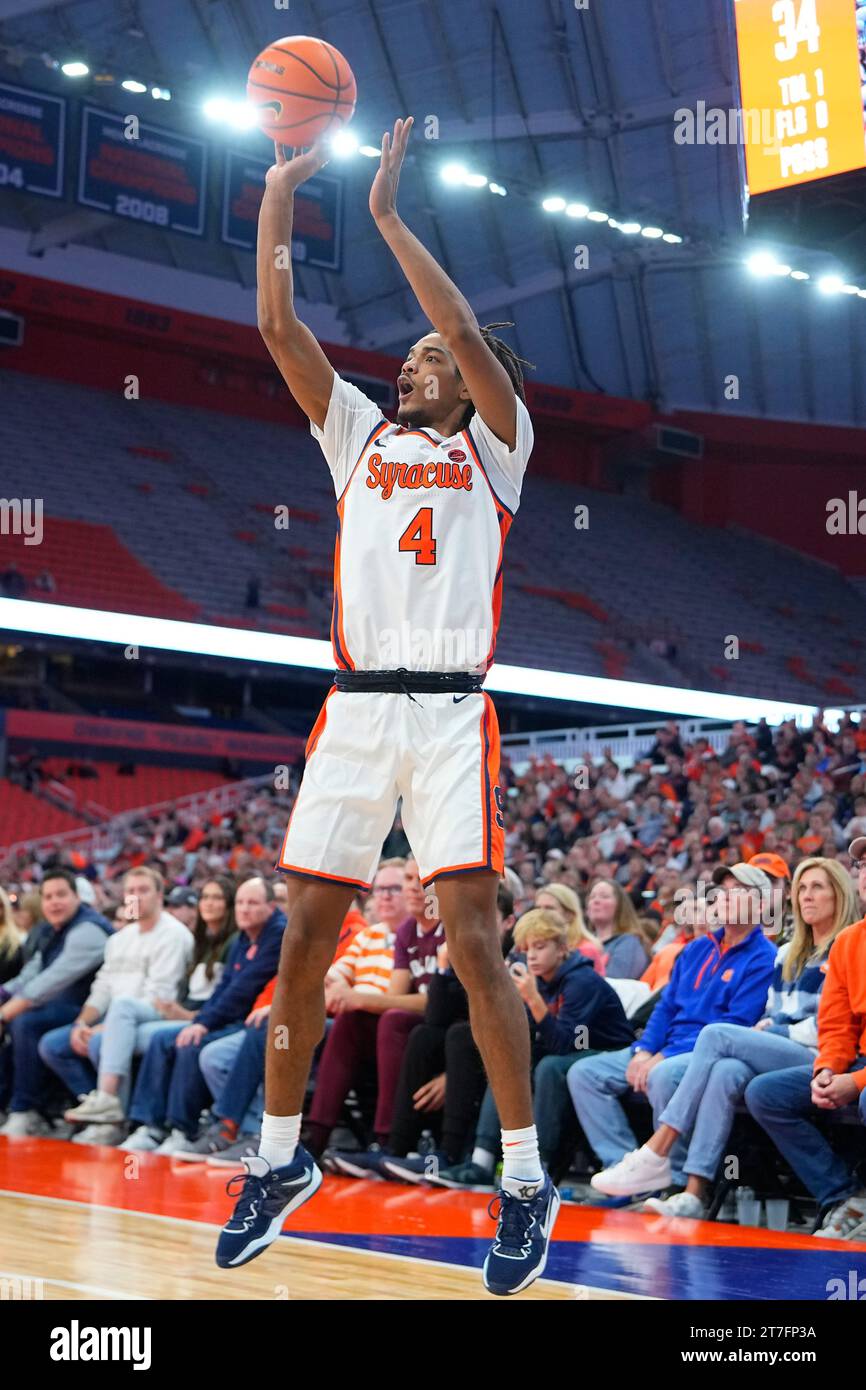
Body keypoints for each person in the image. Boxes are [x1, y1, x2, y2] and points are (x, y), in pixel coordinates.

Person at [217, 118, 556, 1296]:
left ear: (473, 382)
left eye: (424, 358)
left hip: (452, 713)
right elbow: (275, 324)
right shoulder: (357, 436)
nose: (408, 364)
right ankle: (276, 1161)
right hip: (353, 712)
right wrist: (278, 197)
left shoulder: (498, 453)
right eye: (405, 355)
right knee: (304, 942)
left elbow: (463, 325)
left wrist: (386, 220)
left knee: (471, 943)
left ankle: (521, 1178)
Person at [590, 857, 855, 1215]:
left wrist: (774, 1029)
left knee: (715, 1036)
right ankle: (694, 1192)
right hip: (776, 1049)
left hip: (818, 1054)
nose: (806, 896)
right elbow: (673, 1007)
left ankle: (656, 1151)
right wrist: (646, 1049)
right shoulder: (786, 954)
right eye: (802, 889)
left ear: (839, 895)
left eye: (817, 888)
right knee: (725, 1070)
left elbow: (831, 1024)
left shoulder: (844, 946)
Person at [566, 863, 778, 1194]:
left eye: (737, 891)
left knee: (663, 1076)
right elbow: (665, 1007)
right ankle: (625, 1167)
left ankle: (676, 1181)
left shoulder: (765, 957)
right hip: (664, 1048)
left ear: (762, 904)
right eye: (721, 891)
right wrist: (644, 1050)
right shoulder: (695, 949)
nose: (724, 898)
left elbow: (735, 1026)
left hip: (704, 1053)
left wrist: (663, 1055)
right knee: (584, 1073)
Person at [427, 908, 634, 1190]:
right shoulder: (540, 980)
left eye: (540, 947)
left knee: (549, 1067)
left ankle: (540, 1167)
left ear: (562, 948)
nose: (532, 956)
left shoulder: (582, 982)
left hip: (606, 1055)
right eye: (527, 949)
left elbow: (566, 1044)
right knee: (509, 1059)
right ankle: (482, 1160)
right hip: (566, 1055)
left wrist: (533, 1000)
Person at [745, 839, 866, 1240]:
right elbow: (836, 1026)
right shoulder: (850, 942)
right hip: (853, 1062)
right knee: (766, 1093)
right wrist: (828, 1069)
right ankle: (844, 1196)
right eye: (862, 867)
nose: (865, 873)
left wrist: (857, 1082)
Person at [121, 876, 284, 1153]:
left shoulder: (277, 934)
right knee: (162, 1040)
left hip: (247, 1020)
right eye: (241, 903)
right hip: (229, 1017)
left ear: (271, 906)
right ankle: (151, 1126)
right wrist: (199, 1021)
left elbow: (242, 992)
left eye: (253, 903)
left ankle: (183, 1129)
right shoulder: (243, 937)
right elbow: (223, 989)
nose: (244, 909)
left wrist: (203, 1025)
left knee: (193, 1045)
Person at [38, 868, 193, 1145]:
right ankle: (102, 1106)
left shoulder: (174, 935)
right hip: (116, 1019)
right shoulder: (119, 939)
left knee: (108, 1032)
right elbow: (102, 987)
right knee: (53, 1045)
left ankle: (113, 1116)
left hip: (155, 1015)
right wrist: (82, 1024)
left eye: (143, 890)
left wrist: (105, 1027)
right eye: (130, 891)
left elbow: (160, 996)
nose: (136, 897)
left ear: (160, 895)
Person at [306, 859, 444, 1168]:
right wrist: (356, 1001)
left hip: (452, 1027)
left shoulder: (451, 928)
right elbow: (395, 998)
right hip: (414, 1026)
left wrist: (357, 997)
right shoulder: (409, 928)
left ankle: (388, 1142)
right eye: (408, 878)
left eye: (419, 880)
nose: (412, 887)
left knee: (391, 1020)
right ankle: (315, 1138)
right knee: (351, 1020)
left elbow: (434, 1005)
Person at [0, 870, 112, 1137]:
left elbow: (50, 981)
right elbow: (30, 976)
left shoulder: (89, 930)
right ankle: (25, 1106)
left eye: (61, 895)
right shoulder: (52, 931)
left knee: (25, 1022)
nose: (54, 902)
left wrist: (4, 1014)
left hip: (93, 1012)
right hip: (64, 1008)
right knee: (22, 1021)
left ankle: (25, 1109)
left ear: (77, 897)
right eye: (48, 897)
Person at [585, 878, 651, 979]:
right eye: (592, 897)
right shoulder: (584, 942)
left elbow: (613, 987)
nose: (596, 901)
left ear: (620, 906)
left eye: (604, 896)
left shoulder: (629, 943)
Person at [535, 884, 606, 975]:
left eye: (549, 908)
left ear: (569, 915)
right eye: (538, 909)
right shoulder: (531, 947)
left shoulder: (586, 950)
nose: (541, 914)